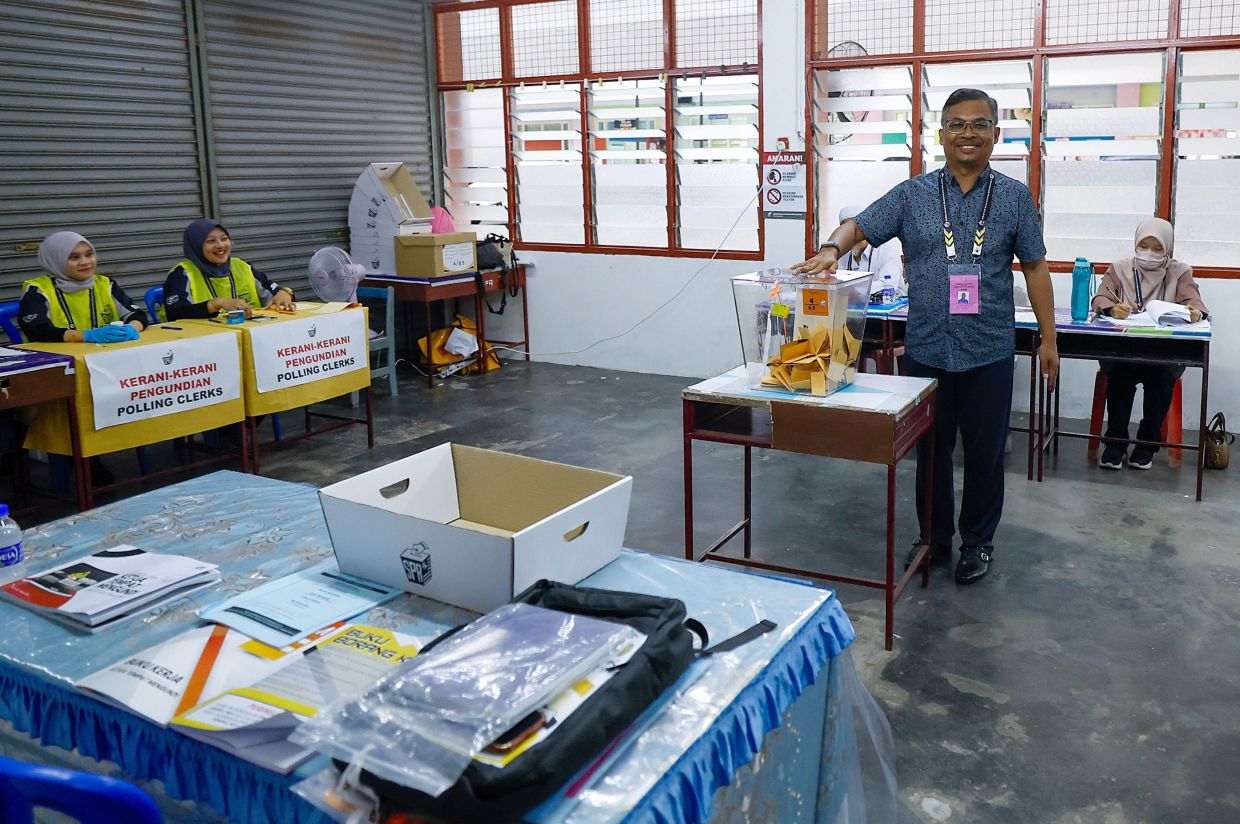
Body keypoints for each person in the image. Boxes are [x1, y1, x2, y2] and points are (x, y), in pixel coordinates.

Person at [792, 88, 1059, 585]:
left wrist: (1049, 339)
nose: (968, 134)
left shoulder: (1015, 197)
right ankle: (934, 538)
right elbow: (861, 224)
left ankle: (977, 543)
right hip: (928, 349)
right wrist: (832, 248)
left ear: (996, 135)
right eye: (957, 124)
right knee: (930, 453)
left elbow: (1037, 268)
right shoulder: (912, 194)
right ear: (941, 134)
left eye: (979, 124)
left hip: (988, 350)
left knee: (984, 455)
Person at [1091, 218, 1208, 471]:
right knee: (1121, 373)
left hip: (1163, 352)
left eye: (1157, 248)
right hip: (1124, 348)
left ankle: (1147, 444)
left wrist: (1194, 312)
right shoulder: (1120, 268)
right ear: (1135, 244)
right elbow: (1100, 297)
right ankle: (1115, 442)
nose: (1149, 254)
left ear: (1168, 248)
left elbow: (1196, 304)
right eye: (1144, 245)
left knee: (1162, 376)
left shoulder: (1180, 272)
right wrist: (1112, 309)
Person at [19, 231, 147, 343]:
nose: (85, 262)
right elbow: (37, 330)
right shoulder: (38, 290)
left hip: (101, 355)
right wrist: (87, 335)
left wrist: (131, 329)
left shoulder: (105, 284)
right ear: (55, 260)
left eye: (89, 254)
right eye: (74, 257)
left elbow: (137, 315)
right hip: (55, 360)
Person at [164, 218, 295, 321]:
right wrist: (215, 304)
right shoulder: (182, 273)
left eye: (224, 239)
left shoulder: (242, 266)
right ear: (196, 246)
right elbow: (175, 313)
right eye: (211, 241)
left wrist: (283, 293)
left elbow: (272, 289)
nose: (220, 246)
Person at [836, 204, 906, 297]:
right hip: (856, 306)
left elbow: (888, 285)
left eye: (857, 230)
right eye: (848, 231)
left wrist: (850, 289)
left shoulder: (887, 249)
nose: (853, 236)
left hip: (892, 307)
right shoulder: (842, 253)